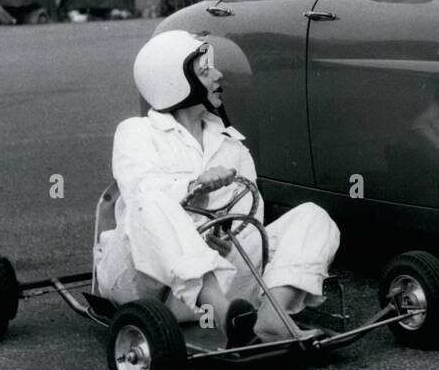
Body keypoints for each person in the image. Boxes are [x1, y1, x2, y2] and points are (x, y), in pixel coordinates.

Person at [94, 30, 340, 346]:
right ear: (174, 81)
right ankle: (224, 314)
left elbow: (248, 217)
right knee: (149, 200)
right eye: (205, 70)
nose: (219, 75)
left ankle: (272, 315)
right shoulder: (137, 132)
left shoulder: (231, 146)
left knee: (313, 216)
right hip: (144, 282)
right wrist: (195, 185)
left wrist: (226, 237)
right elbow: (140, 191)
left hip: (212, 281)